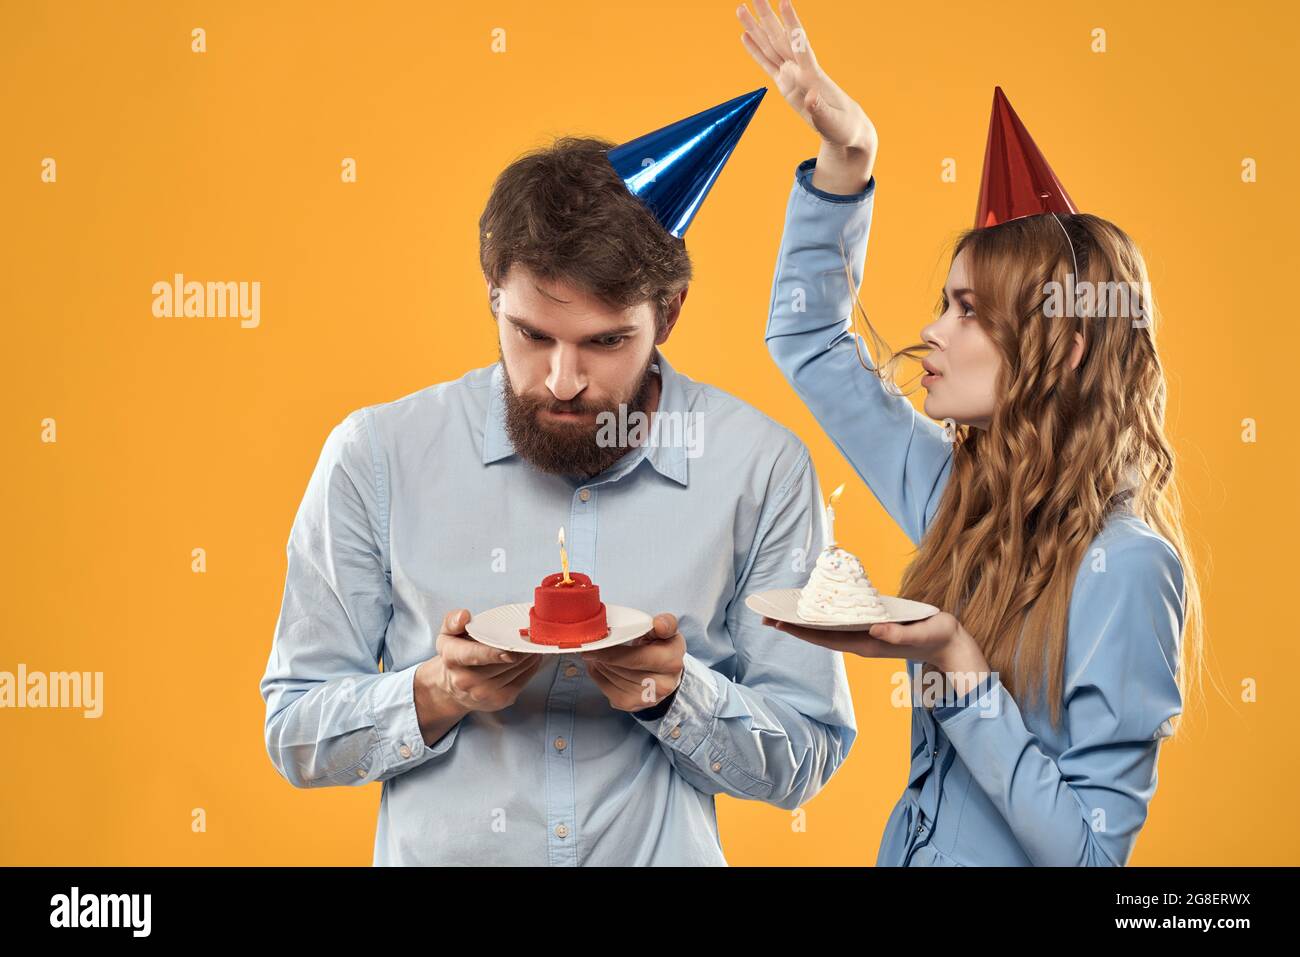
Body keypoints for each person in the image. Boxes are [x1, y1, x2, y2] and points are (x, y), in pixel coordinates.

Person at [259, 97, 857, 866]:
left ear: (669, 314)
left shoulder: (759, 467)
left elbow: (807, 751)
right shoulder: (377, 455)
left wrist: (680, 694)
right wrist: (437, 690)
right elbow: (295, 730)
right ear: (492, 295)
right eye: (531, 334)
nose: (564, 379)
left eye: (606, 342)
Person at [738, 0, 1204, 866]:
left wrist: (958, 659)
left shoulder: (1130, 568)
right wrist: (849, 157)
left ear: (1062, 349)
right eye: (944, 304)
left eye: (967, 312)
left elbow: (1092, 860)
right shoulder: (959, 498)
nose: (934, 334)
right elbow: (807, 342)